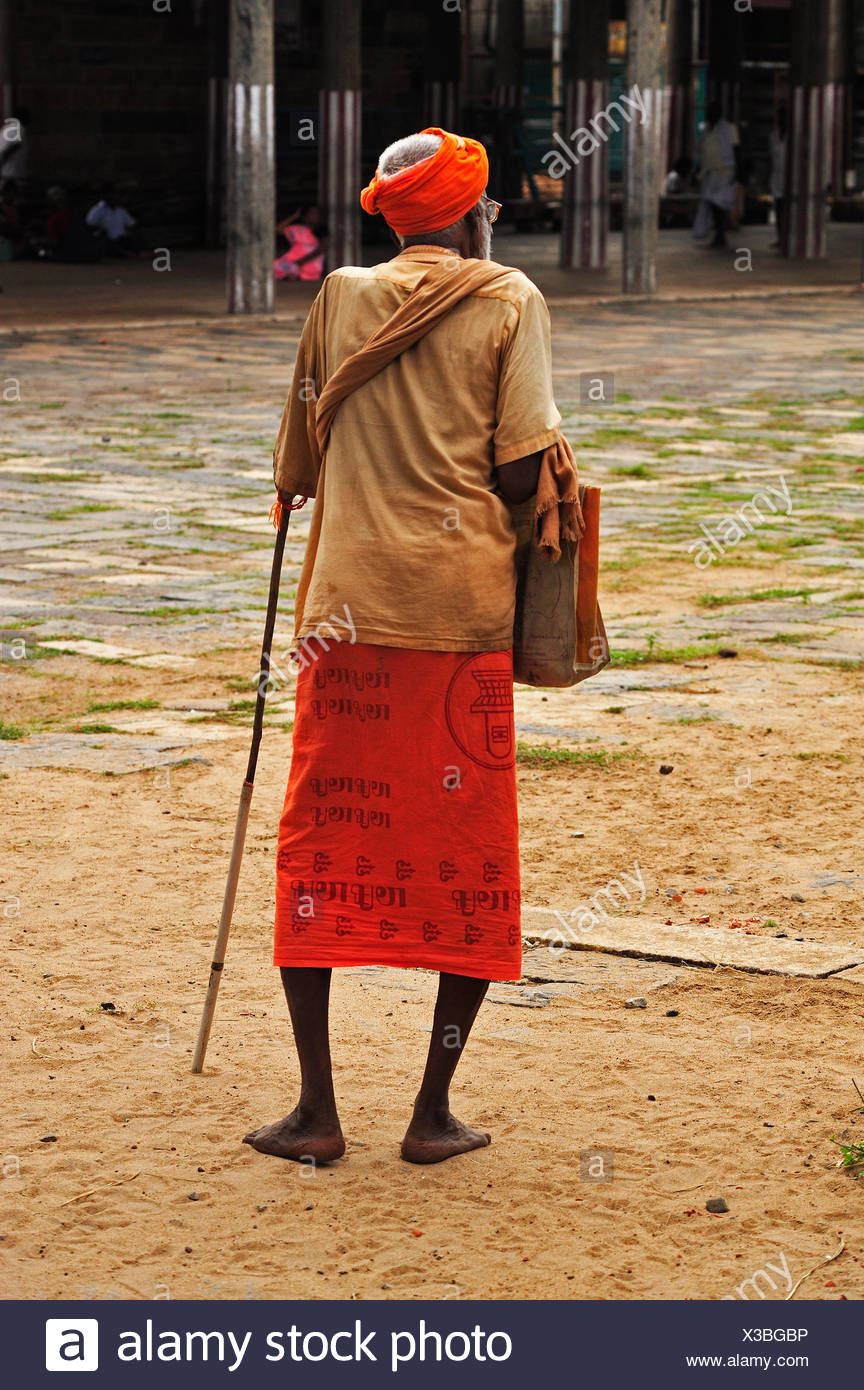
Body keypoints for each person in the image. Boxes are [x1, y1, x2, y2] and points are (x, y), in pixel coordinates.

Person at [243, 127, 579, 1167]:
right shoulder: (509, 299)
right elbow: (524, 471)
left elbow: (297, 461)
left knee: (320, 845)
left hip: (346, 615)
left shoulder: (337, 295)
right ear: (477, 213)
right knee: (465, 862)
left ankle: (315, 1111)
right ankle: (431, 1114)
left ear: (387, 218)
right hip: (458, 616)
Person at [694, 101, 740, 248]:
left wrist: (737, 171)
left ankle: (720, 235)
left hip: (725, 172)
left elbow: (737, 149)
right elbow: (701, 151)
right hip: (709, 172)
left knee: (719, 203)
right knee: (711, 203)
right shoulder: (705, 129)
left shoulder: (729, 128)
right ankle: (717, 234)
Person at [274, 204, 328, 280]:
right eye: (312, 213)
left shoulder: (322, 233)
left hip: (310, 269)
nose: (316, 216)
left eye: (317, 214)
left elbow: (320, 249)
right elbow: (279, 229)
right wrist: (295, 216)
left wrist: (298, 263)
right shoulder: (298, 230)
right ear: (304, 216)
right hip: (293, 265)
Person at [85, 185, 142, 256]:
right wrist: (100, 229)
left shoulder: (120, 211)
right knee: (108, 245)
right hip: (105, 240)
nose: (115, 197)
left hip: (121, 240)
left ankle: (132, 253)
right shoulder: (97, 210)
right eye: (112, 194)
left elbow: (132, 224)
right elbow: (89, 226)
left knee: (132, 241)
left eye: (117, 195)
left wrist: (130, 231)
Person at [769, 106, 788, 251]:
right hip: (777, 176)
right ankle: (780, 238)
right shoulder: (774, 135)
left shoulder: (793, 135)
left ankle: (787, 238)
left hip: (789, 178)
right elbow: (771, 158)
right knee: (779, 207)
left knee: (788, 209)